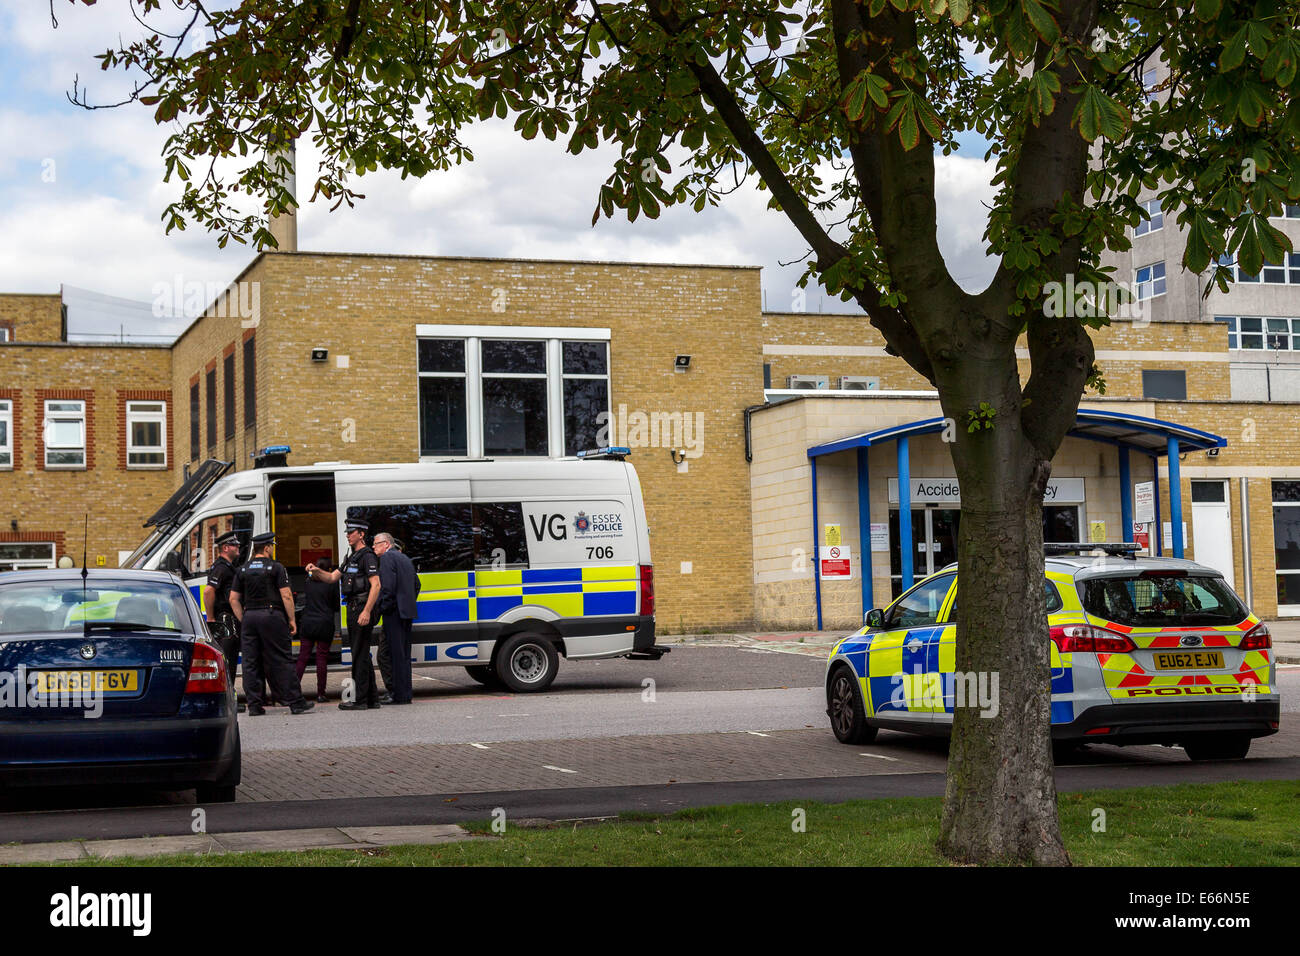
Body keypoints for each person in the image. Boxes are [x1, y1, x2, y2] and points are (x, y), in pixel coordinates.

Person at [230, 531, 314, 716]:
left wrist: (244, 619)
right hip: (271, 615)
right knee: (282, 659)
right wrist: (292, 620)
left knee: (250, 662)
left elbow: (233, 599)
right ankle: (295, 702)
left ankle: (254, 705)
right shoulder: (276, 568)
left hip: (250, 617)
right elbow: (286, 595)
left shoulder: (242, 569)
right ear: (267, 547)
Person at [307, 518, 381, 711]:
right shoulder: (351, 557)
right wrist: (316, 572)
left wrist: (366, 611)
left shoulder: (367, 556)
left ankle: (360, 700)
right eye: (347, 532)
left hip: (361, 608)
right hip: (353, 608)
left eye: (351, 532)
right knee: (361, 654)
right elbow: (332, 577)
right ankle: (372, 698)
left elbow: (376, 585)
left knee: (358, 655)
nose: (347, 535)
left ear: (362, 534)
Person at [202, 529, 246, 713]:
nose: (238, 548)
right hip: (225, 619)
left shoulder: (227, 567)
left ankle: (230, 698)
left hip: (227, 618)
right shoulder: (221, 568)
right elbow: (208, 591)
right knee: (227, 661)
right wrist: (211, 618)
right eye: (235, 545)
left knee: (230, 660)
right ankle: (228, 700)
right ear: (226, 547)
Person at [374, 532, 417, 705]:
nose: (373, 547)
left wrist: (382, 608)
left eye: (376, 543)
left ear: (386, 544)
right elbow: (417, 584)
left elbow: (388, 588)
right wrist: (407, 601)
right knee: (404, 655)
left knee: (391, 655)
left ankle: (397, 695)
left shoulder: (386, 559)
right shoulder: (404, 558)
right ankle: (405, 694)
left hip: (394, 613)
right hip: (406, 612)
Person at [296, 556, 337, 703]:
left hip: (308, 623)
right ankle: (321, 694)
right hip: (325, 623)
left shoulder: (308, 582)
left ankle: (294, 691)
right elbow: (335, 604)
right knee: (322, 659)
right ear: (328, 570)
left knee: (303, 657)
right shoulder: (331, 585)